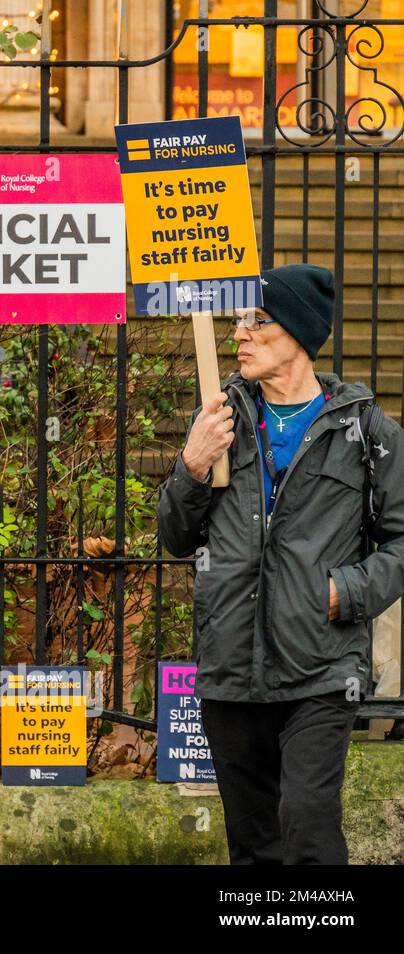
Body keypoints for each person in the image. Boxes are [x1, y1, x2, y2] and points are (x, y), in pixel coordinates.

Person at [157, 264, 404, 864]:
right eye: (239, 319)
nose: (239, 332)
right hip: (231, 667)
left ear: (297, 332)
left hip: (320, 666)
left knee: (309, 827)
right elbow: (175, 536)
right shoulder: (220, 422)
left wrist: (343, 592)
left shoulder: (365, 431)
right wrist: (192, 467)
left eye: (255, 320)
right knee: (253, 844)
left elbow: (399, 541)